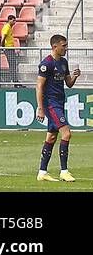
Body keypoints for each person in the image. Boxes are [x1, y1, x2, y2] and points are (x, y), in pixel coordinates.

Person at [37, 34, 80, 182]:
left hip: (60, 102)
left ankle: (42, 172)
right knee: (66, 134)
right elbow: (39, 87)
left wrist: (74, 77)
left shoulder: (63, 62)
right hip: (51, 104)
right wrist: (40, 108)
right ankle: (64, 171)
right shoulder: (46, 64)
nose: (66, 48)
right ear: (54, 47)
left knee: (52, 136)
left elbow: (68, 83)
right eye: (64, 45)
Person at [0, 14, 18, 83]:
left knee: (13, 64)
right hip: (8, 49)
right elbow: (3, 37)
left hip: (10, 48)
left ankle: (15, 80)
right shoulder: (7, 27)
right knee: (12, 64)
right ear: (9, 20)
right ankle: (14, 80)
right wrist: (2, 47)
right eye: (13, 20)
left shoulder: (9, 27)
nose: (14, 22)